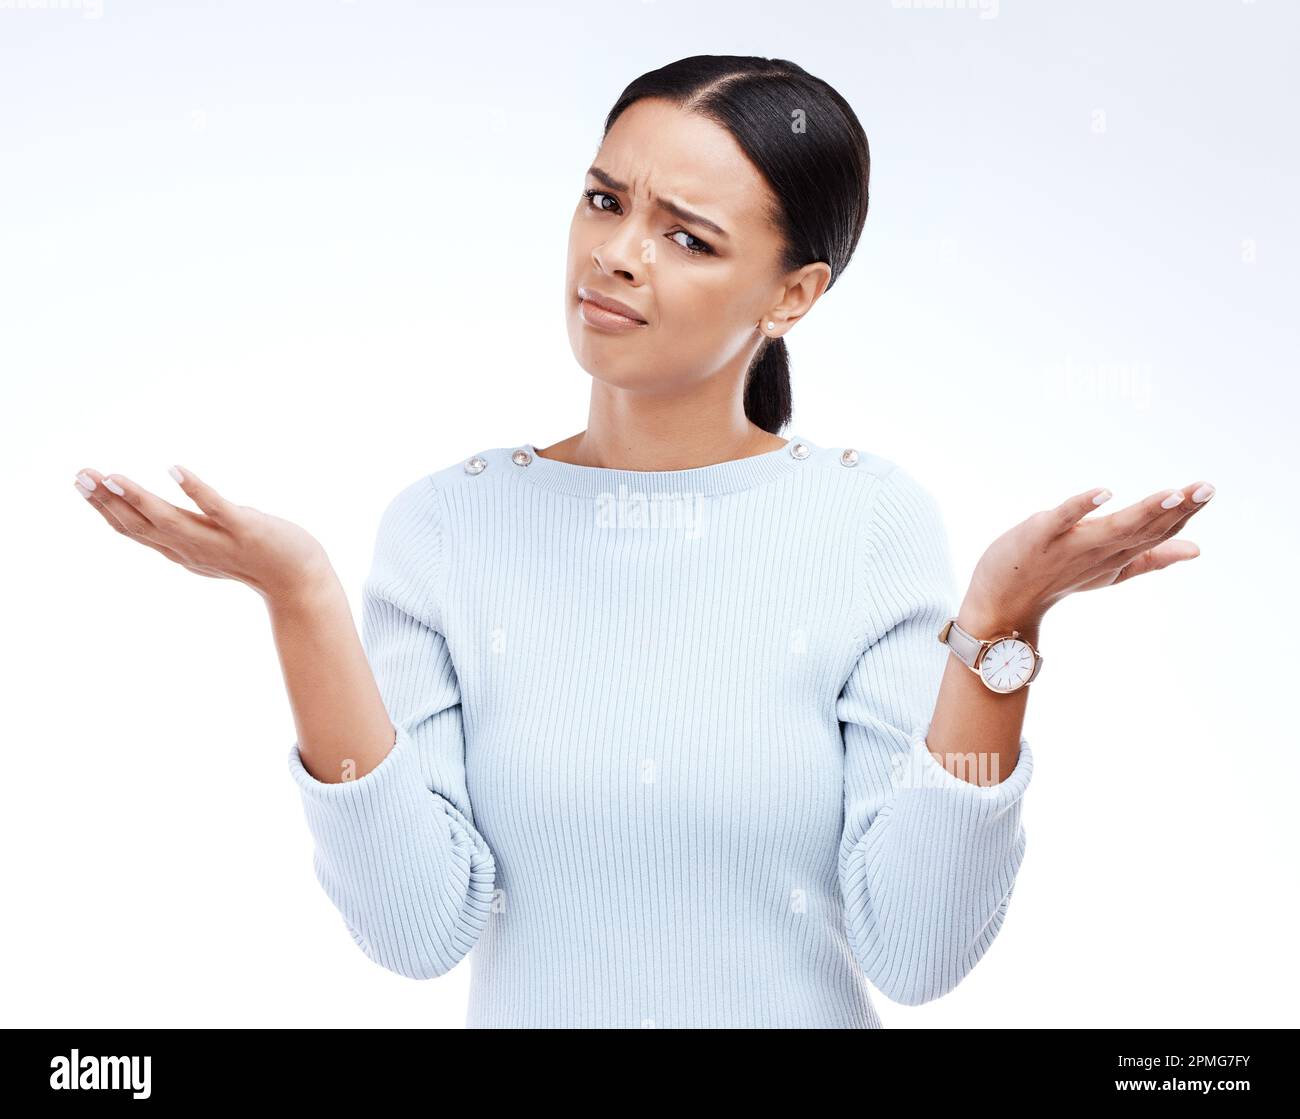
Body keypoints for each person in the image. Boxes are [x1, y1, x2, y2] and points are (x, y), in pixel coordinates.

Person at [72, 55, 1215, 1028]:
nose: (616, 254)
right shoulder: (447, 526)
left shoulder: (867, 522)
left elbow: (915, 951)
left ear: (793, 295)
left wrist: (1000, 630)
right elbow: (415, 928)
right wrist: (300, 595)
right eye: (605, 200)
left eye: (688, 236)